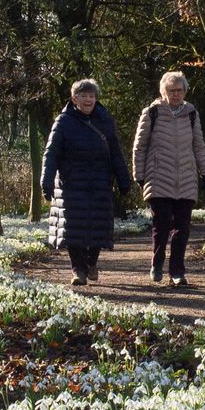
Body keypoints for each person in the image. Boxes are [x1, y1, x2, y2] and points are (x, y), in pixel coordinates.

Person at [39, 78, 134, 285]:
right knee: (73, 228)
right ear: (74, 99)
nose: (88, 99)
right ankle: (78, 270)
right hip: (71, 184)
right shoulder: (63, 122)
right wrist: (46, 181)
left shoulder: (105, 120)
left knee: (98, 226)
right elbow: (51, 154)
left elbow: (116, 153)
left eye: (91, 96)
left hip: (100, 182)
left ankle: (91, 262)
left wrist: (124, 180)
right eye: (84, 96)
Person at [132, 70, 205, 286]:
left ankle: (177, 271)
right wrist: (139, 175)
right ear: (163, 91)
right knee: (162, 224)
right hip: (158, 178)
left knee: (183, 228)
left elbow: (199, 145)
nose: (176, 94)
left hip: (186, 179)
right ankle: (157, 262)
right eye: (171, 90)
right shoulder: (152, 113)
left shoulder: (191, 114)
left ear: (185, 91)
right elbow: (139, 147)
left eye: (179, 90)